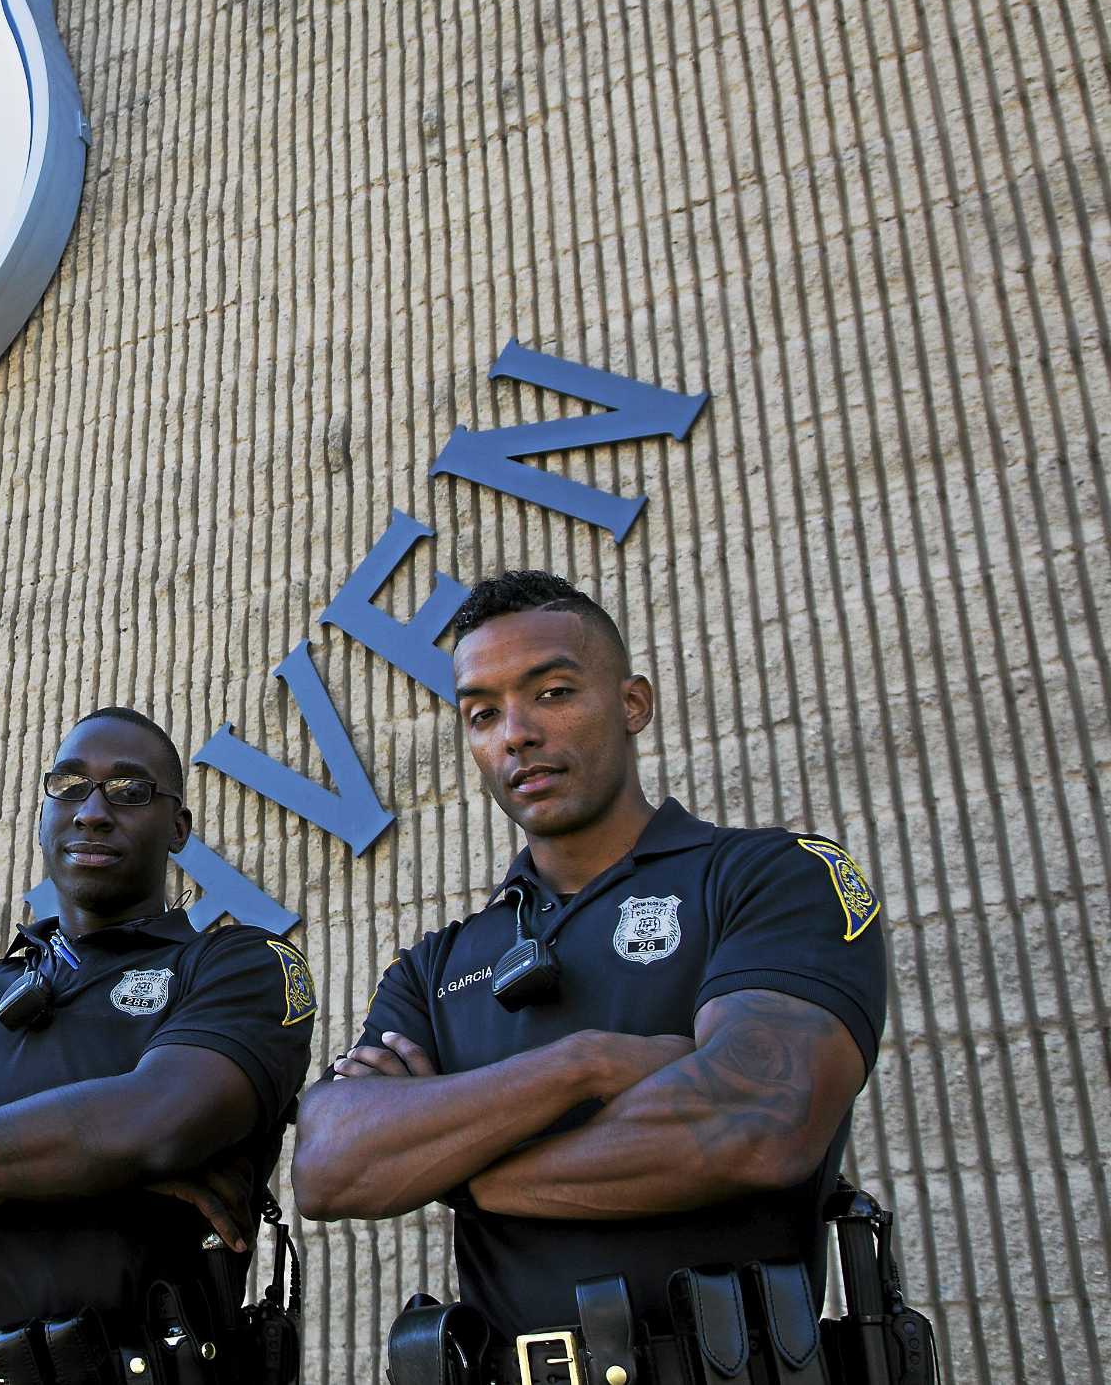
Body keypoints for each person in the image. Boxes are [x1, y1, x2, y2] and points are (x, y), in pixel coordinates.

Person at [293, 571, 889, 1379]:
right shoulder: (436, 965)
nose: (517, 734)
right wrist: (591, 1064)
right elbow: (331, 1166)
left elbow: (754, 1122)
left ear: (633, 703)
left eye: (553, 692)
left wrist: (453, 1166)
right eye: (482, 713)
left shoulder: (770, 877)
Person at [0, 706, 317, 1383]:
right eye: (70, 786)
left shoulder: (237, 965)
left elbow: (152, 1124)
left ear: (179, 828)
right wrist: (97, 1159)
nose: (93, 811)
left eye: (131, 790)